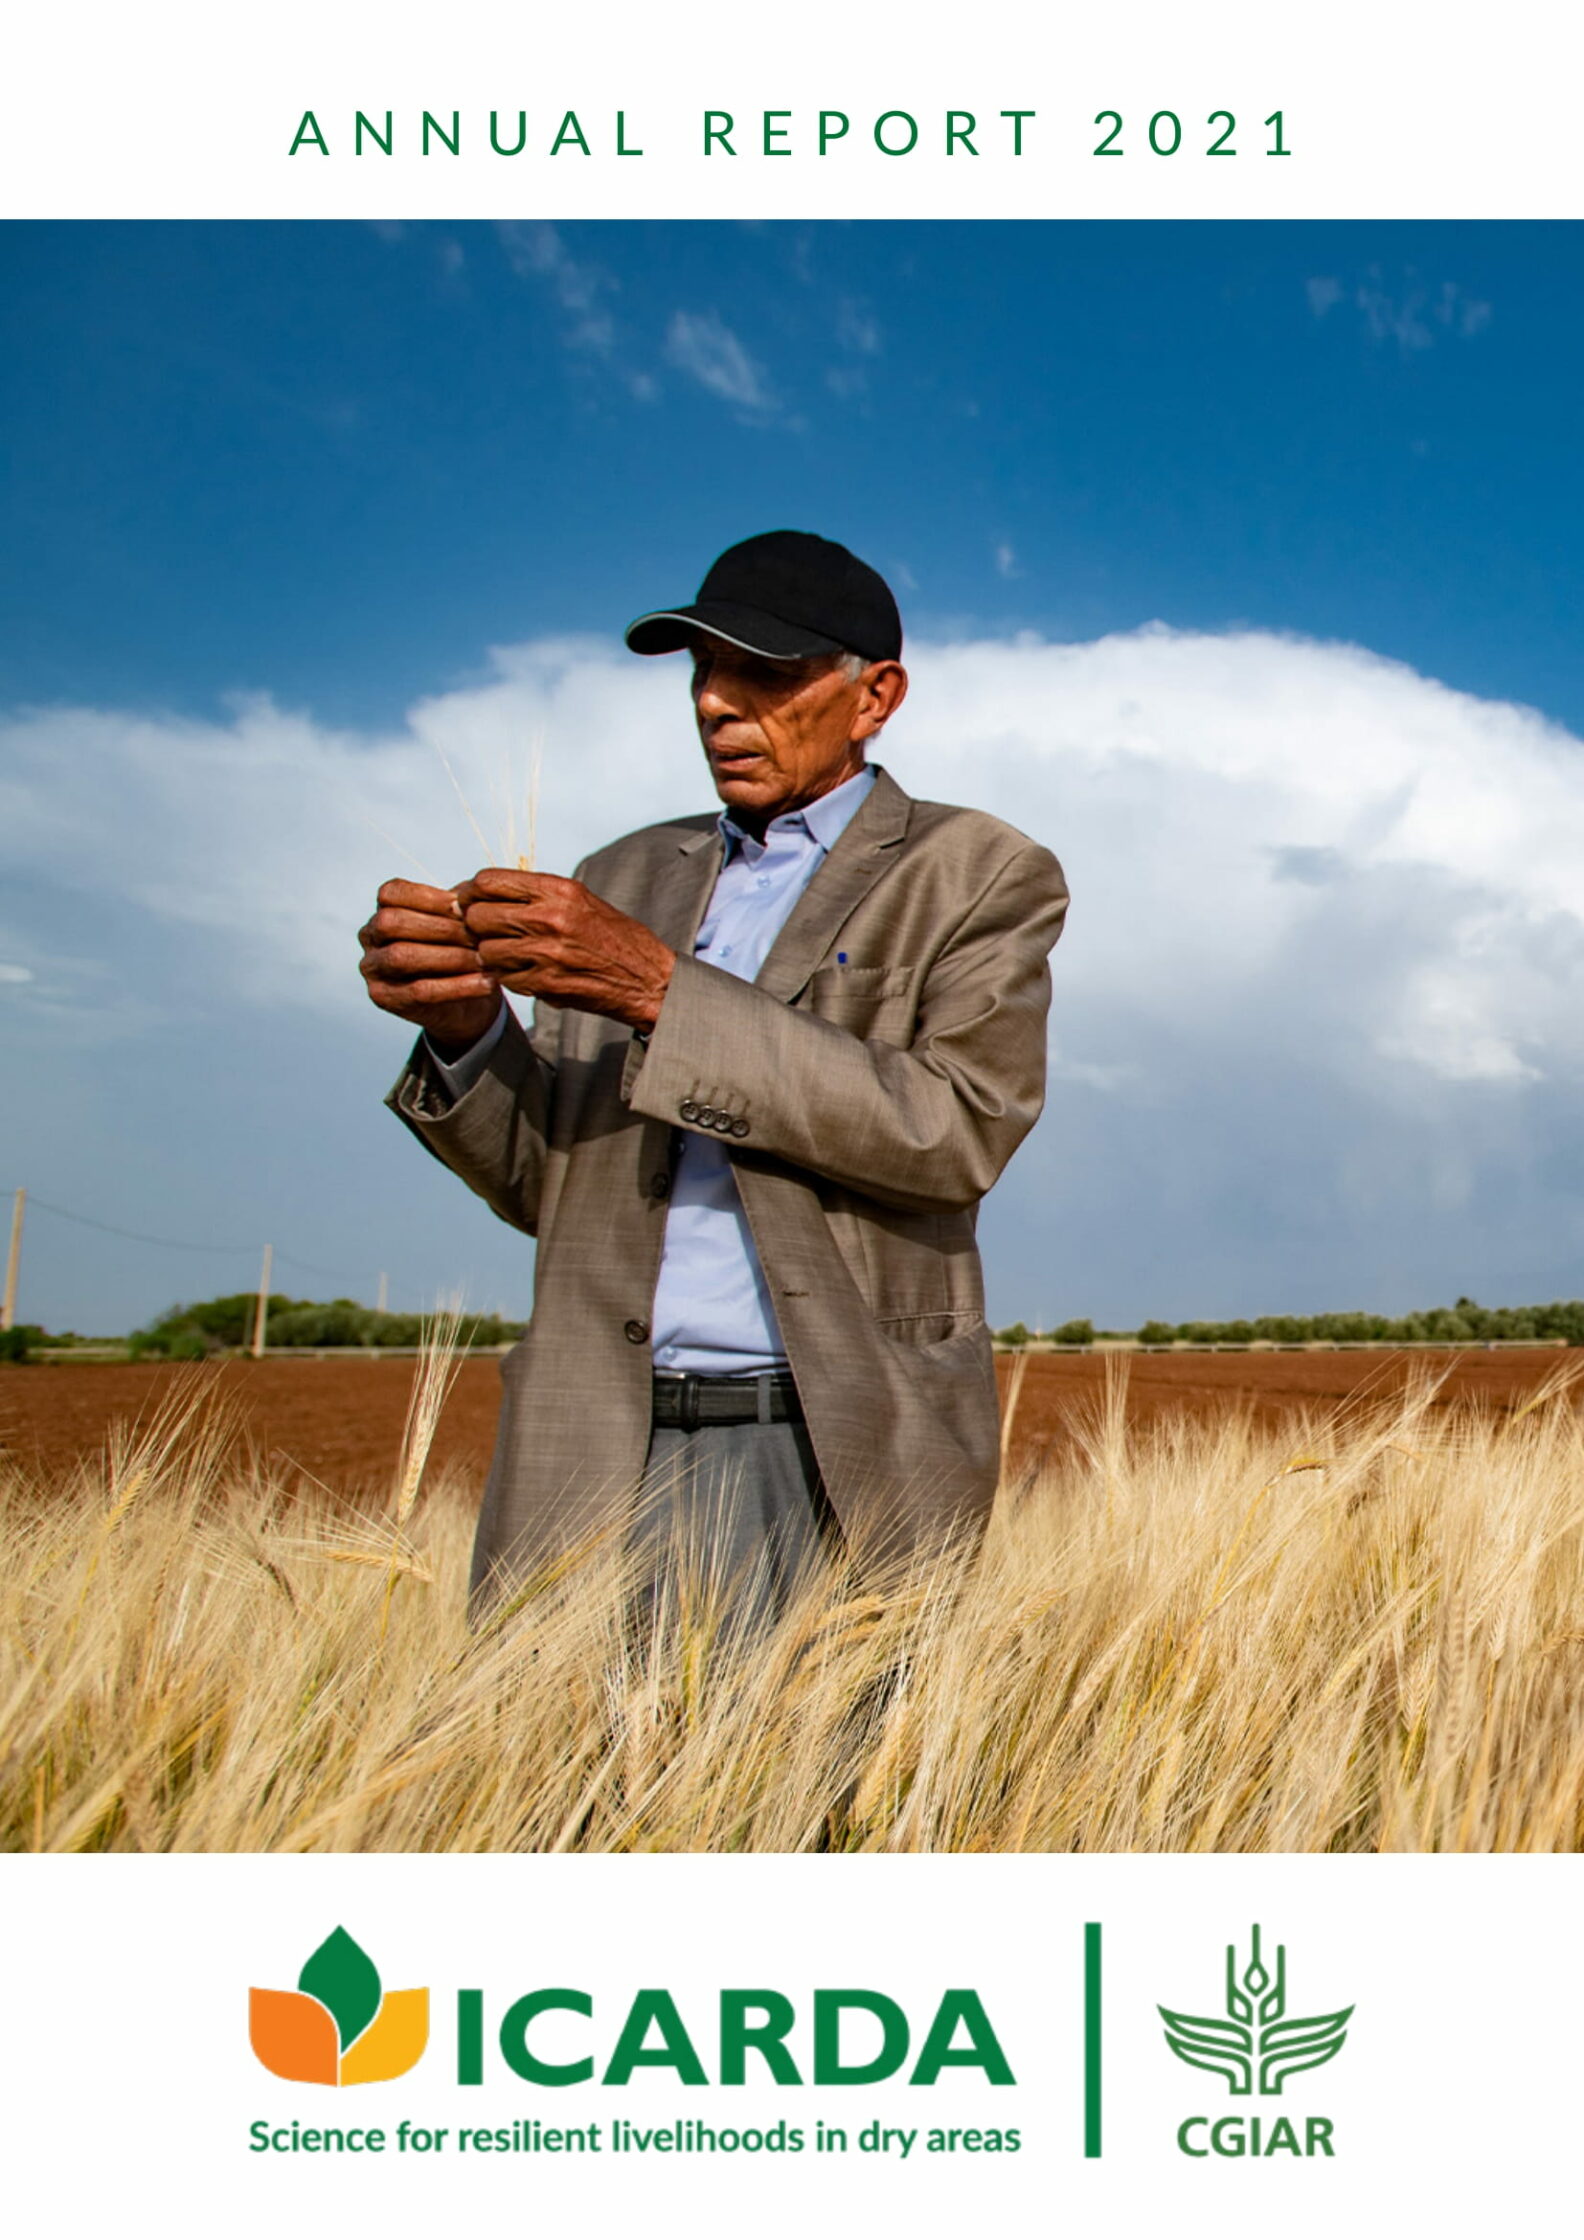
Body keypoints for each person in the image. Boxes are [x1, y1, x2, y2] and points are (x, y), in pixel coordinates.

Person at [359, 529, 1069, 1617]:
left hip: (831, 1440)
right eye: (702, 672)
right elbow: (548, 1186)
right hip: (590, 1438)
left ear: (875, 695)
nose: (715, 703)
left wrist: (660, 991)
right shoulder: (624, 874)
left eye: (766, 673)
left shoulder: (974, 871)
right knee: (575, 1784)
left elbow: (954, 1129)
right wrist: (466, 1030)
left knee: (822, 1785)